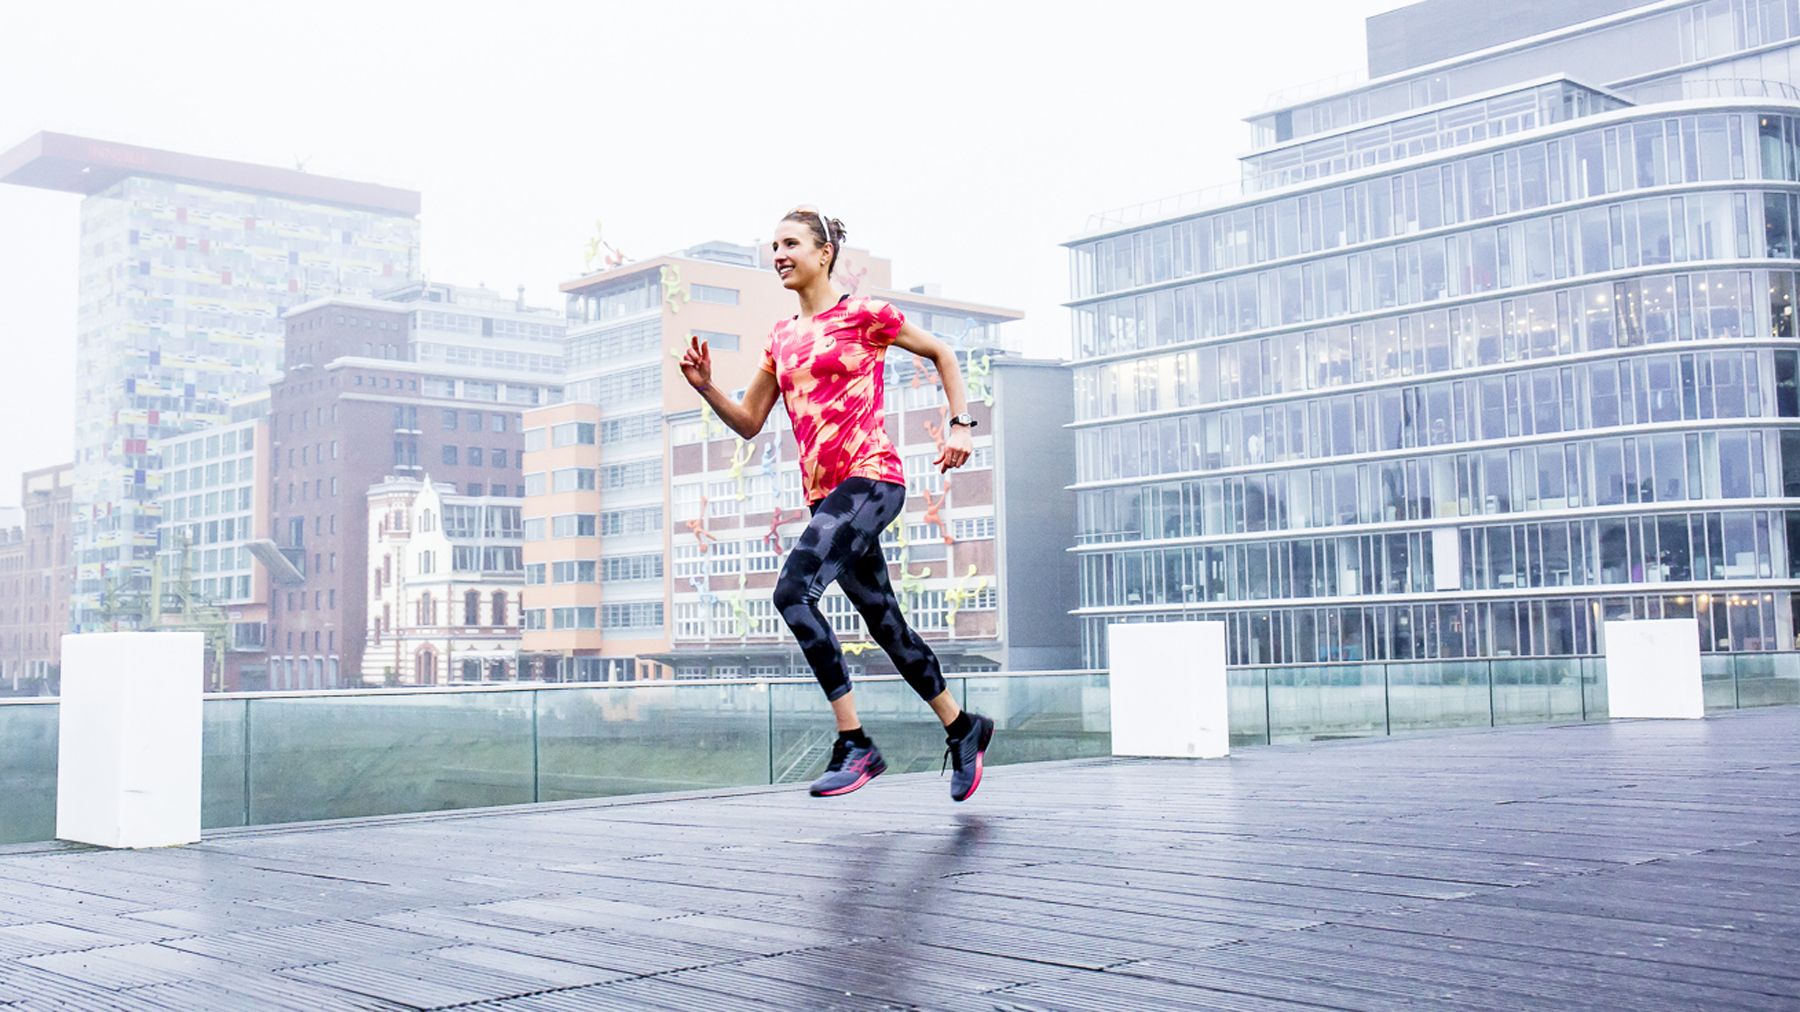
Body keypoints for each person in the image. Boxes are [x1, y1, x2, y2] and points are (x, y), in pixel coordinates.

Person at [678, 206, 994, 802]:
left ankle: (856, 744)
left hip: (873, 480)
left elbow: (942, 354)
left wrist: (960, 426)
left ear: (825, 254)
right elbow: (749, 423)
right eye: (772, 246)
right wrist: (707, 388)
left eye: (790, 243)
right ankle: (963, 727)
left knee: (792, 592)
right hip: (829, 497)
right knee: (885, 624)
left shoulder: (864, 316)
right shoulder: (781, 338)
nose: (778, 254)